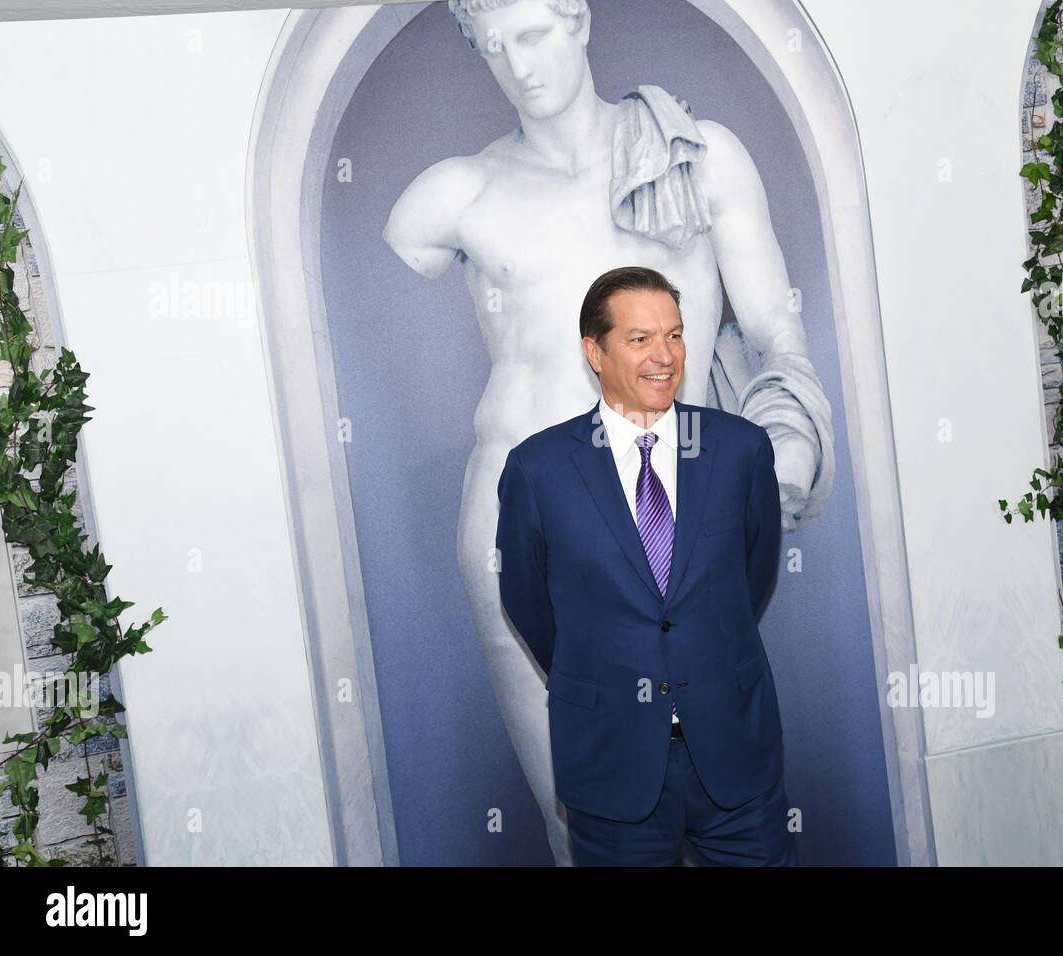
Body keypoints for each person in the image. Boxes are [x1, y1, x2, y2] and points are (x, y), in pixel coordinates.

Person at [383, 0, 830, 864]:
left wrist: (777, 465)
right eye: (494, 46)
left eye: (535, 34)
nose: (519, 64)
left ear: (578, 21)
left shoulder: (695, 159)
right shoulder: (454, 195)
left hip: (673, 509)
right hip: (521, 524)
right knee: (582, 820)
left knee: (720, 795)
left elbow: (778, 338)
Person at [495, 266, 796, 866]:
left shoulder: (741, 450)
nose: (665, 356)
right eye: (640, 339)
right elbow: (529, 602)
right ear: (594, 351)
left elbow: (752, 577)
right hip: (611, 765)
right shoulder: (539, 470)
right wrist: (604, 664)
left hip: (735, 755)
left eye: (675, 335)